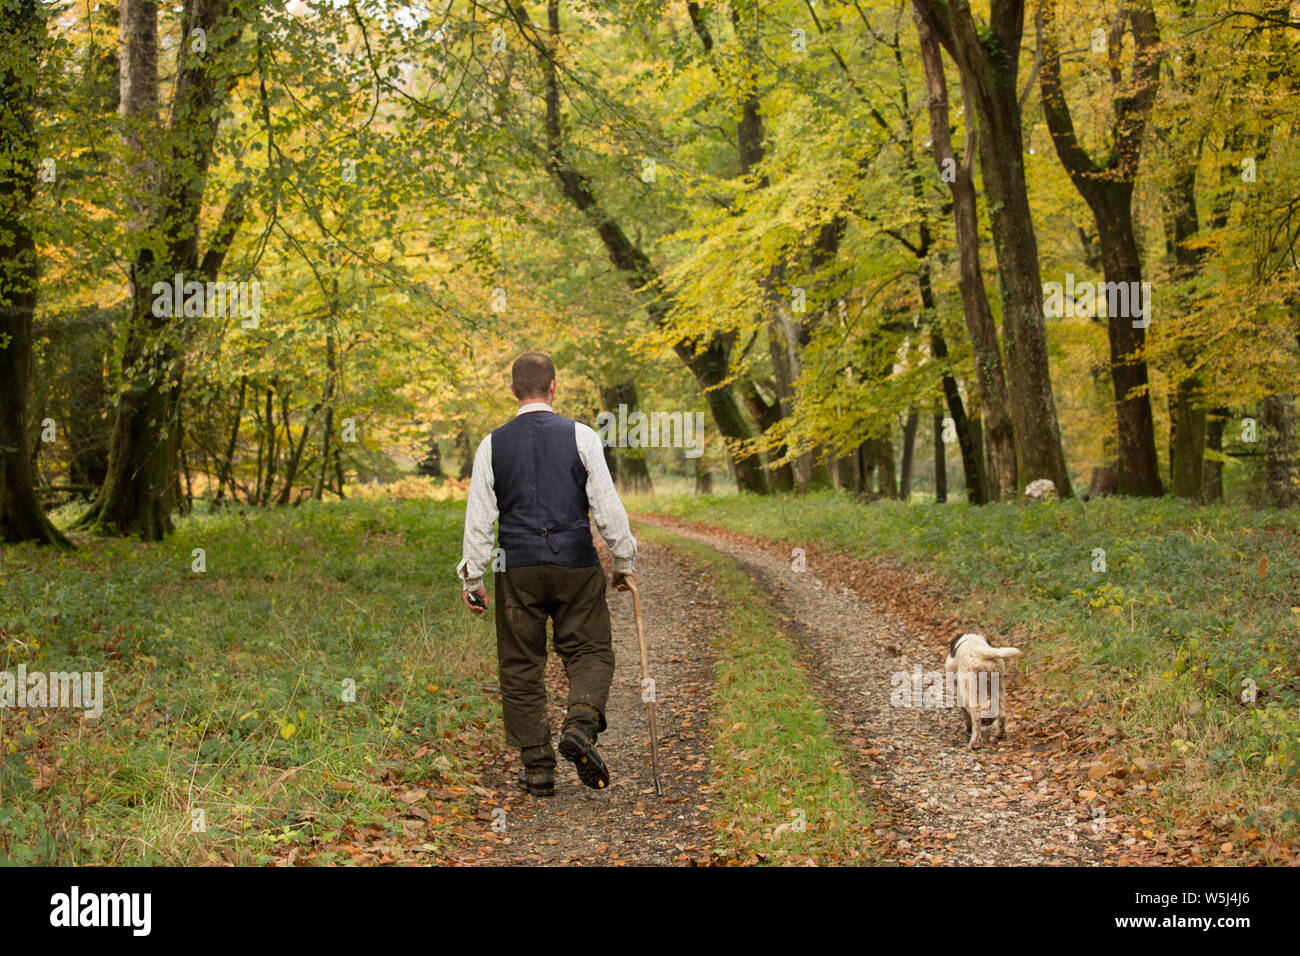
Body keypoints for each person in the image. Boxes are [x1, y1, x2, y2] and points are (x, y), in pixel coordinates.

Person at [457, 351, 637, 796]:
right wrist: (623, 562)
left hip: (517, 568)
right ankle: (579, 726)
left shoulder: (491, 445)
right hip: (575, 563)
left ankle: (537, 768)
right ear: (553, 386)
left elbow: (480, 520)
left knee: (520, 664)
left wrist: (472, 578)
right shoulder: (582, 437)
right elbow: (607, 509)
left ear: (513, 390)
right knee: (591, 648)